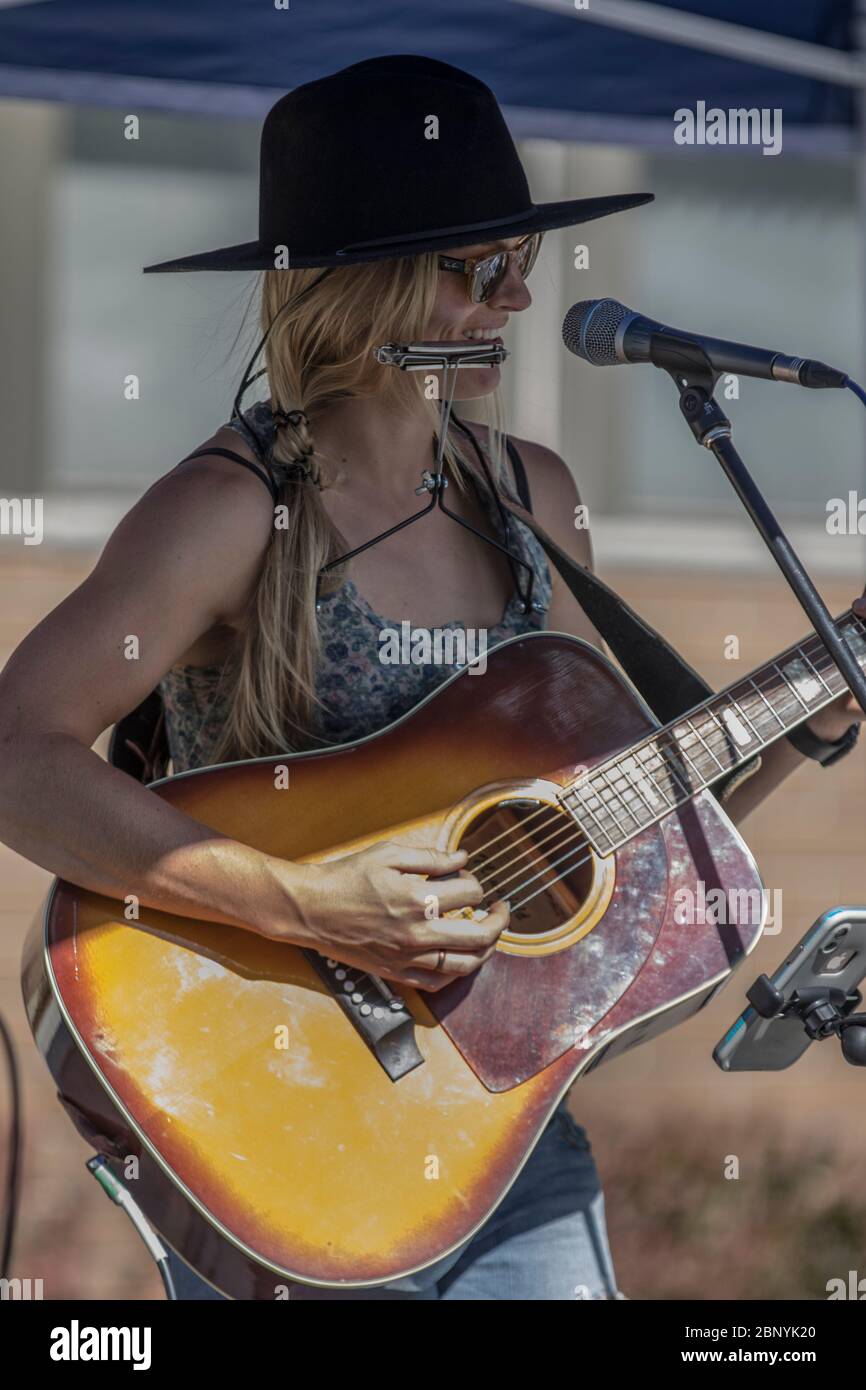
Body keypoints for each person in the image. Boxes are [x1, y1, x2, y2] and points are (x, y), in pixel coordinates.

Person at [1, 55, 862, 1302]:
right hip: (283, 1130)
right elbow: (17, 755)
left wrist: (811, 715)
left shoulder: (534, 500)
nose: (517, 298)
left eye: (522, 262)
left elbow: (618, 825)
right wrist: (308, 901)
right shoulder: (228, 512)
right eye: (479, 270)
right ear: (360, 288)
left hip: (498, 1126)